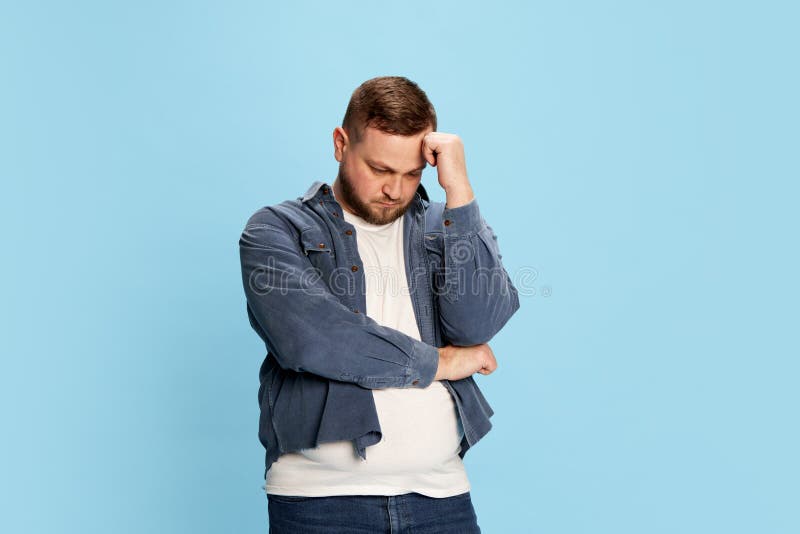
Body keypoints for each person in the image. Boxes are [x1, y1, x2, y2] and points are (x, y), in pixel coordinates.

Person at [239, 76, 520, 533]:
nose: (395, 189)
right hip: (320, 504)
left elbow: (479, 323)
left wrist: (460, 193)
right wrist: (441, 362)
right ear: (340, 143)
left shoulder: (443, 225)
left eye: (412, 174)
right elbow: (314, 339)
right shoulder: (277, 229)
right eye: (380, 169)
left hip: (441, 498)